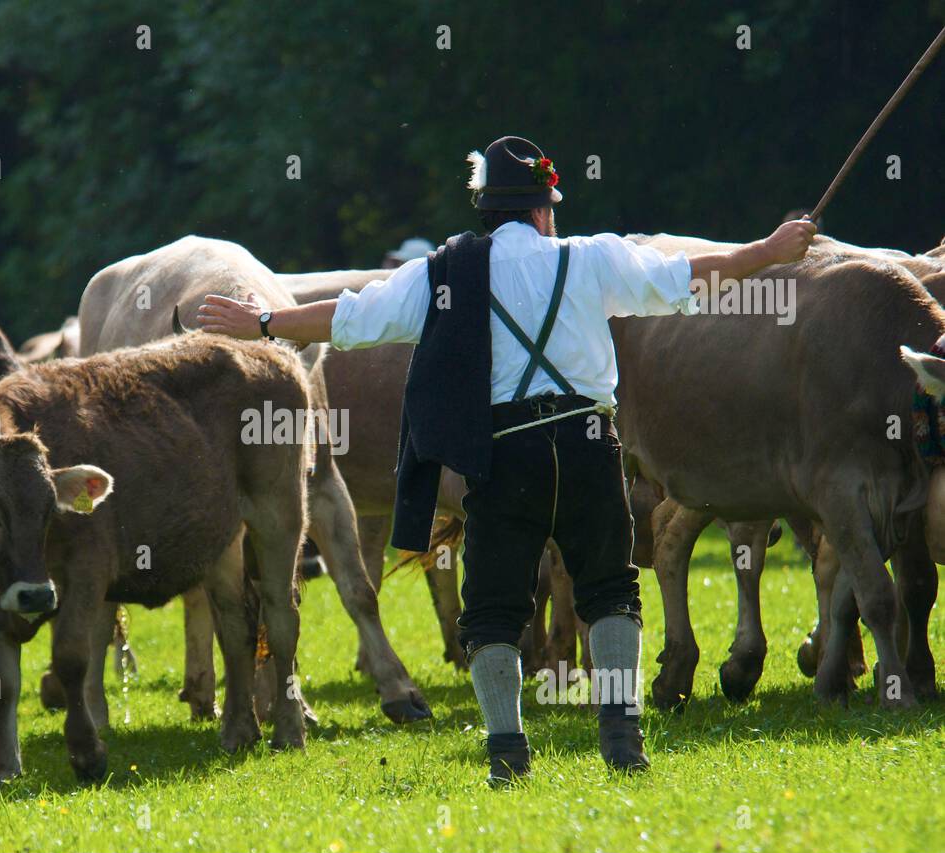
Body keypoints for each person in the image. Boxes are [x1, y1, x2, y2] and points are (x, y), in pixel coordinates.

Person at [198, 135, 816, 785]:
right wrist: (770, 251)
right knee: (610, 590)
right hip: (586, 442)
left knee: (492, 609)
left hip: (503, 452)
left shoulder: (446, 272)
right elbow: (688, 278)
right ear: (545, 210)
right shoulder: (594, 258)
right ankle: (622, 738)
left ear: (487, 213)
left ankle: (506, 753)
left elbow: (354, 318)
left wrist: (264, 322)